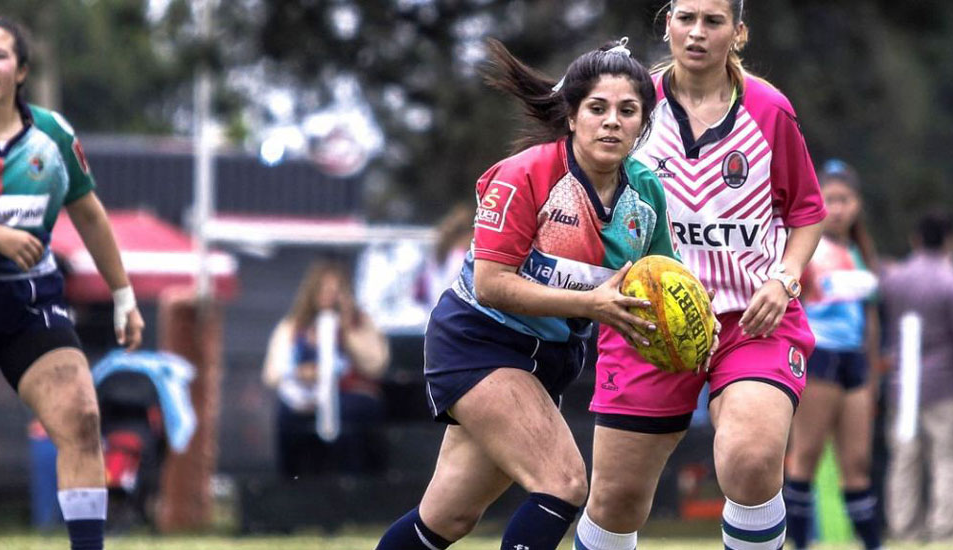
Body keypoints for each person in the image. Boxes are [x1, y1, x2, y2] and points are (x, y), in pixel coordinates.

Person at [375, 37, 675, 550]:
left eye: (628, 111)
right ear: (572, 116)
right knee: (563, 483)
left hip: (552, 358)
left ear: (643, 123)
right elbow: (492, 284)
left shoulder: (645, 193)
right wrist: (590, 305)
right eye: (597, 108)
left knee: (448, 518)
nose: (611, 122)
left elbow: (662, 282)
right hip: (479, 342)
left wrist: (690, 328)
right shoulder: (526, 176)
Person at [575, 2, 826, 549]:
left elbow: (807, 212)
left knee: (752, 460)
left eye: (713, 21)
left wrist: (783, 279)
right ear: (666, 22)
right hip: (645, 319)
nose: (697, 32)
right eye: (686, 17)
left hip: (751, 319)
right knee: (616, 500)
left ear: (737, 33)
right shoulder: (633, 105)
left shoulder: (769, 110)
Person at [0, 17, 145, 550]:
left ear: (21, 71)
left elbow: (90, 216)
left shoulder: (53, 137)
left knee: (81, 419)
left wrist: (124, 296)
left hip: (28, 304)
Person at [782, 160, 883, 550]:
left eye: (846, 200)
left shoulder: (860, 251)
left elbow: (870, 316)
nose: (839, 208)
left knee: (857, 464)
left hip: (854, 362)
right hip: (818, 357)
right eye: (831, 199)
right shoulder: (807, 246)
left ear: (857, 204)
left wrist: (873, 371)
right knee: (805, 456)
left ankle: (874, 544)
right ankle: (799, 543)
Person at [879, 211, 953, 545]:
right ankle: (945, 534)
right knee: (950, 461)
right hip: (945, 387)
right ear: (950, 240)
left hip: (901, 386)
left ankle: (906, 533)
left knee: (904, 462)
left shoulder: (894, 279)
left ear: (916, 239)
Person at [262, 259, 390, 476]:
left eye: (336, 290)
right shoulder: (293, 326)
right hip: (306, 397)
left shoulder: (361, 324)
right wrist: (300, 374)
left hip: (349, 395)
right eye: (324, 289)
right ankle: (291, 481)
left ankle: (353, 480)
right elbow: (272, 374)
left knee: (350, 413)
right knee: (287, 416)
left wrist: (348, 333)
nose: (330, 296)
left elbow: (376, 365)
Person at [416, 203, 474, 310]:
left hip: (434, 316)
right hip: (450, 318)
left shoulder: (438, 256)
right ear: (471, 233)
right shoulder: (461, 259)